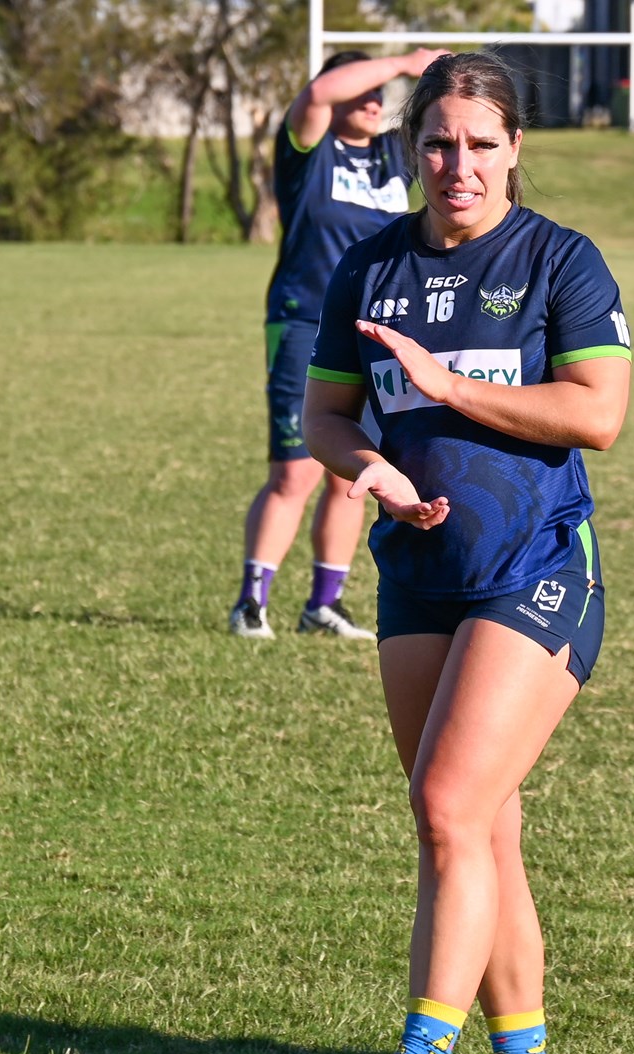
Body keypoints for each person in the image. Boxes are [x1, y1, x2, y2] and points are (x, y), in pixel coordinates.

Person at [302, 51, 632, 1054]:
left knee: (445, 807)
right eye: (438, 142)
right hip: (420, 579)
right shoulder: (371, 269)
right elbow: (327, 418)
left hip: (538, 569)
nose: (459, 165)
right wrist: (370, 467)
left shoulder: (559, 262)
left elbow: (597, 414)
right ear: (412, 148)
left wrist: (448, 385)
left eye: (481, 144)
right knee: (478, 827)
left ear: (515, 149)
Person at [229, 46, 449, 640]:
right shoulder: (310, 151)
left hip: (373, 331)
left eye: (382, 91)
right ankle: (252, 603)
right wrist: (406, 59)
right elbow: (319, 96)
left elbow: (437, 124)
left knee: (355, 470)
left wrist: (437, 74)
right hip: (303, 324)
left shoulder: (392, 157)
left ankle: (323, 605)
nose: (376, 98)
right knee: (294, 471)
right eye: (363, 86)